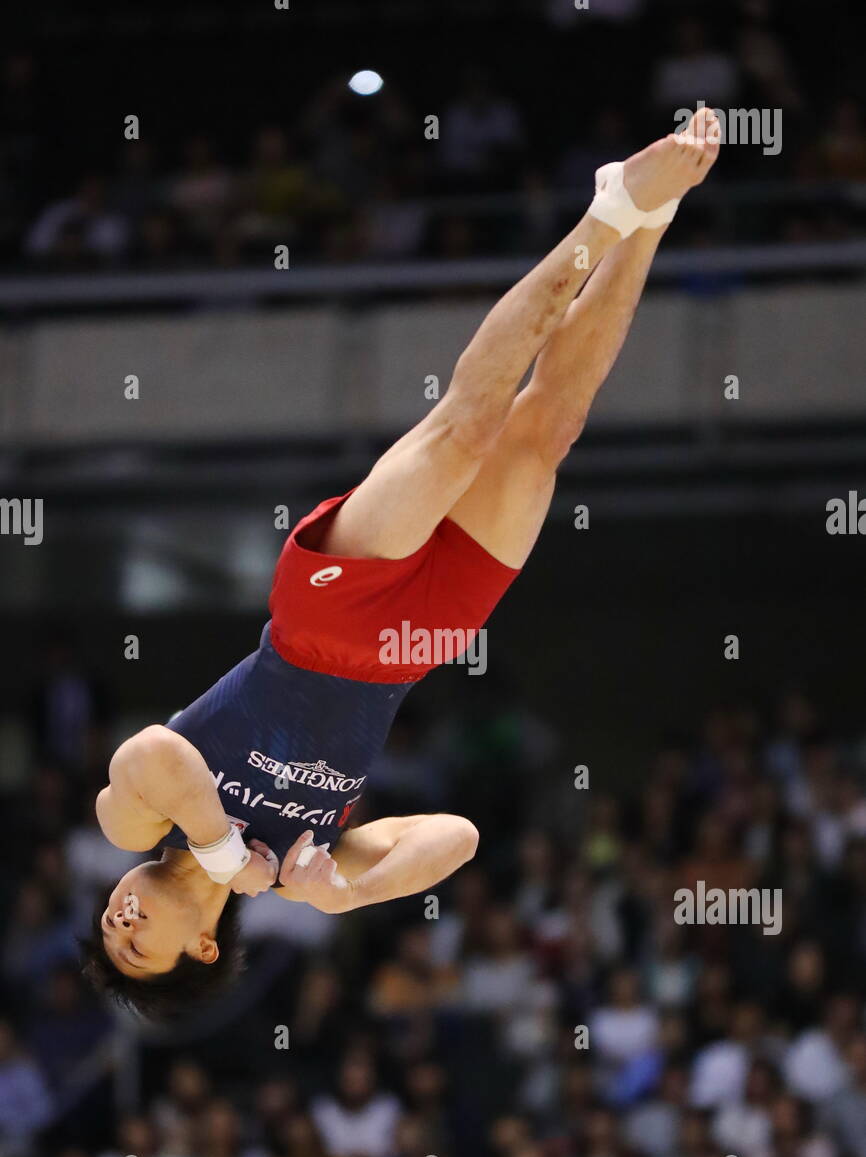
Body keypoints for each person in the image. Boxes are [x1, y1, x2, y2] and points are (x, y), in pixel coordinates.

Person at [83, 111, 720, 1020]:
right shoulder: (303, 875)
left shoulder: (135, 826)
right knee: (547, 430)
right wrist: (342, 892)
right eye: (135, 943)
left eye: (108, 924)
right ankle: (651, 222)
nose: (120, 918)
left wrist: (223, 850)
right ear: (203, 946)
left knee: (465, 429)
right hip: (411, 651)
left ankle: (606, 213)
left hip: (321, 619)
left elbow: (153, 753)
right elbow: (453, 838)